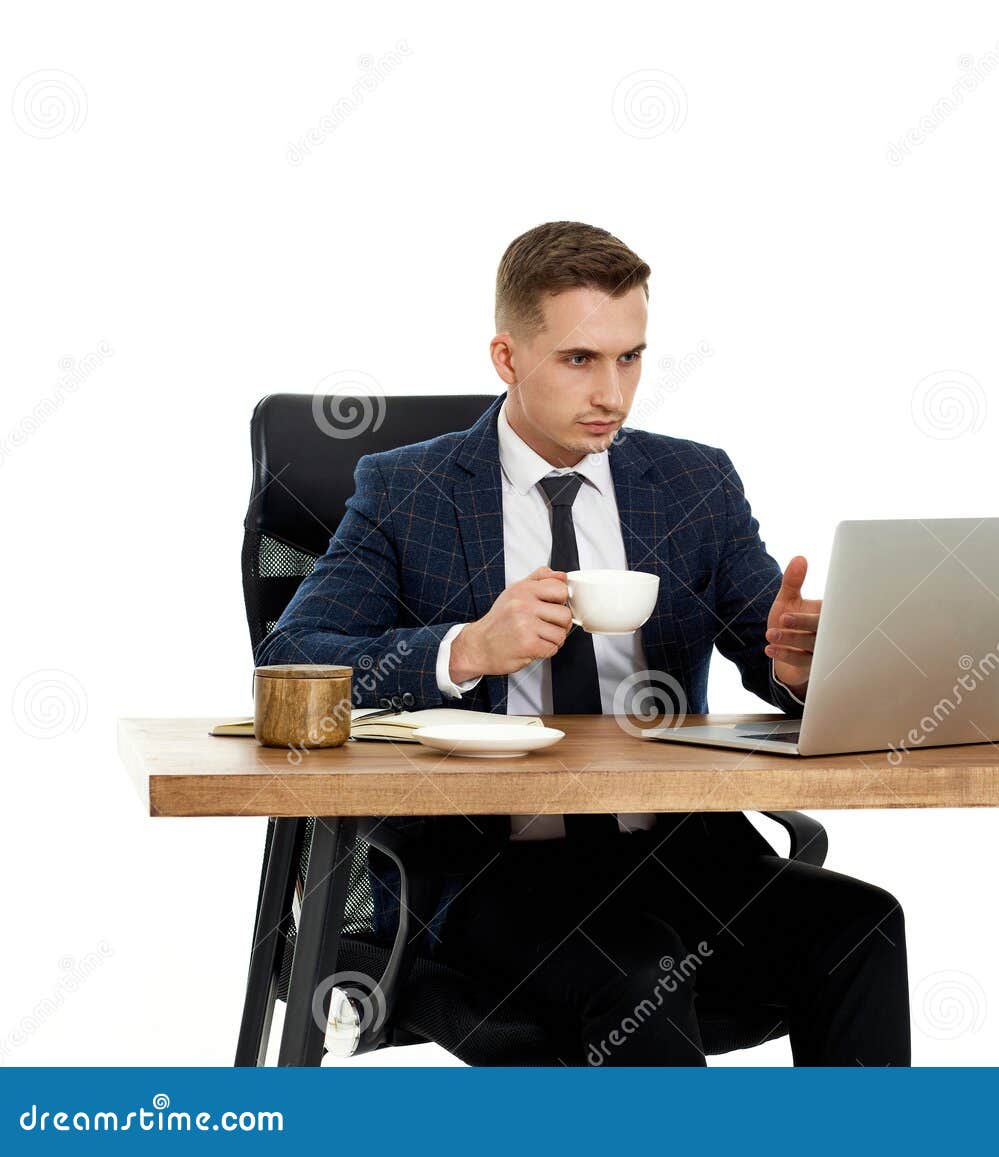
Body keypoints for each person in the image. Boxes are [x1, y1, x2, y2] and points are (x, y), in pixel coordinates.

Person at [257, 220, 911, 1065]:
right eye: (580, 360)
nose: (613, 392)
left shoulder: (690, 483)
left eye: (630, 357)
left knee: (863, 926)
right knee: (640, 966)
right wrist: (464, 649)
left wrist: (797, 665)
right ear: (507, 357)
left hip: (679, 853)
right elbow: (292, 654)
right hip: (490, 871)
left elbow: (767, 641)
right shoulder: (408, 489)